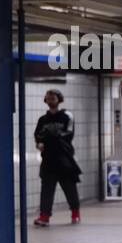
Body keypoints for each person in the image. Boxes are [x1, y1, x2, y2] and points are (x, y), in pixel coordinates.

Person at [33, 89, 82, 227]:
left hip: (64, 158)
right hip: (48, 159)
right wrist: (39, 143)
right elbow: (38, 135)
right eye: (48, 98)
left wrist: (48, 138)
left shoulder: (67, 116)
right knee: (46, 189)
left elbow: (68, 133)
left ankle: (75, 212)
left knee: (69, 187)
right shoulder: (42, 120)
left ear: (59, 99)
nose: (50, 100)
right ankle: (44, 216)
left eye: (53, 98)